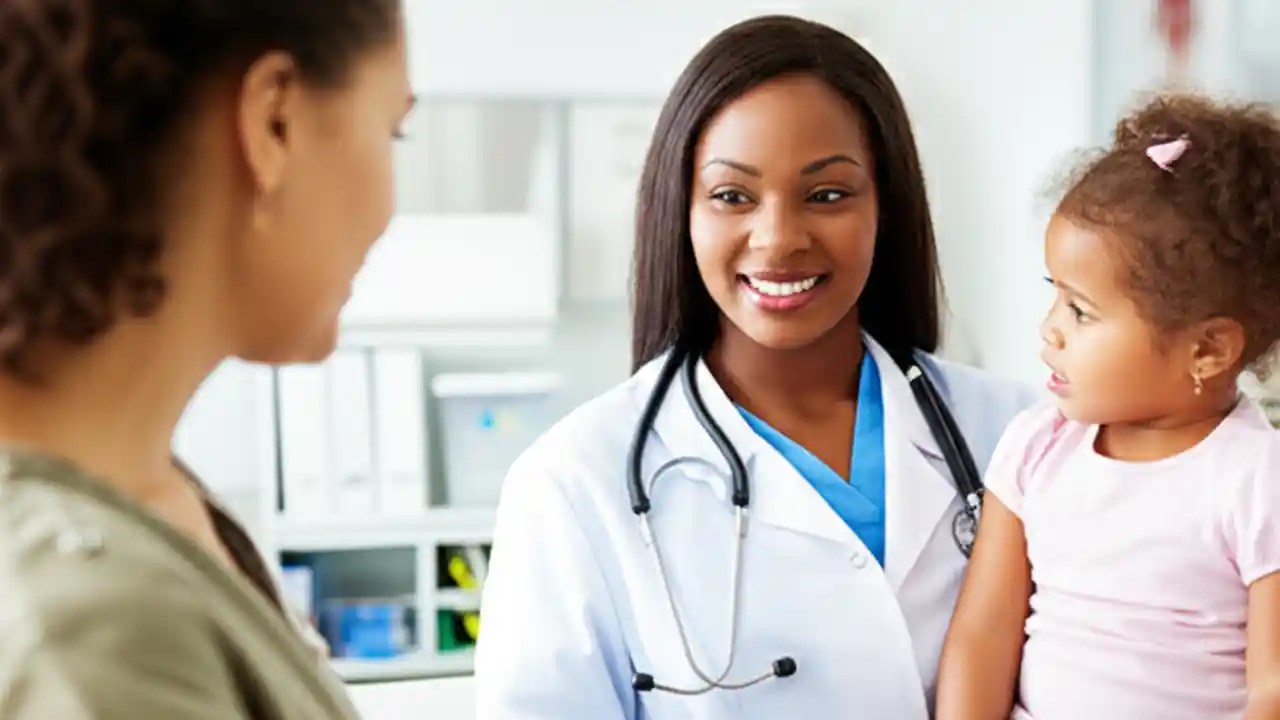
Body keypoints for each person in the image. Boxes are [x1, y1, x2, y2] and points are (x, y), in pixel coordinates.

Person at [474, 14, 1036, 720]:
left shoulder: (1019, 434)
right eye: (732, 196)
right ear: (681, 211)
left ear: (885, 208)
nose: (778, 239)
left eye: (827, 194)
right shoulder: (573, 485)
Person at [0, 1, 412, 718]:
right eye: (393, 130)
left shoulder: (142, 492)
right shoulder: (94, 626)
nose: (390, 207)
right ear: (273, 123)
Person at [935, 94, 1280, 719]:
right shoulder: (1035, 448)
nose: (1049, 331)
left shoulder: (1257, 480)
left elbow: (1273, 690)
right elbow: (981, 637)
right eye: (1055, 298)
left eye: (1080, 312)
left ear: (1207, 349)